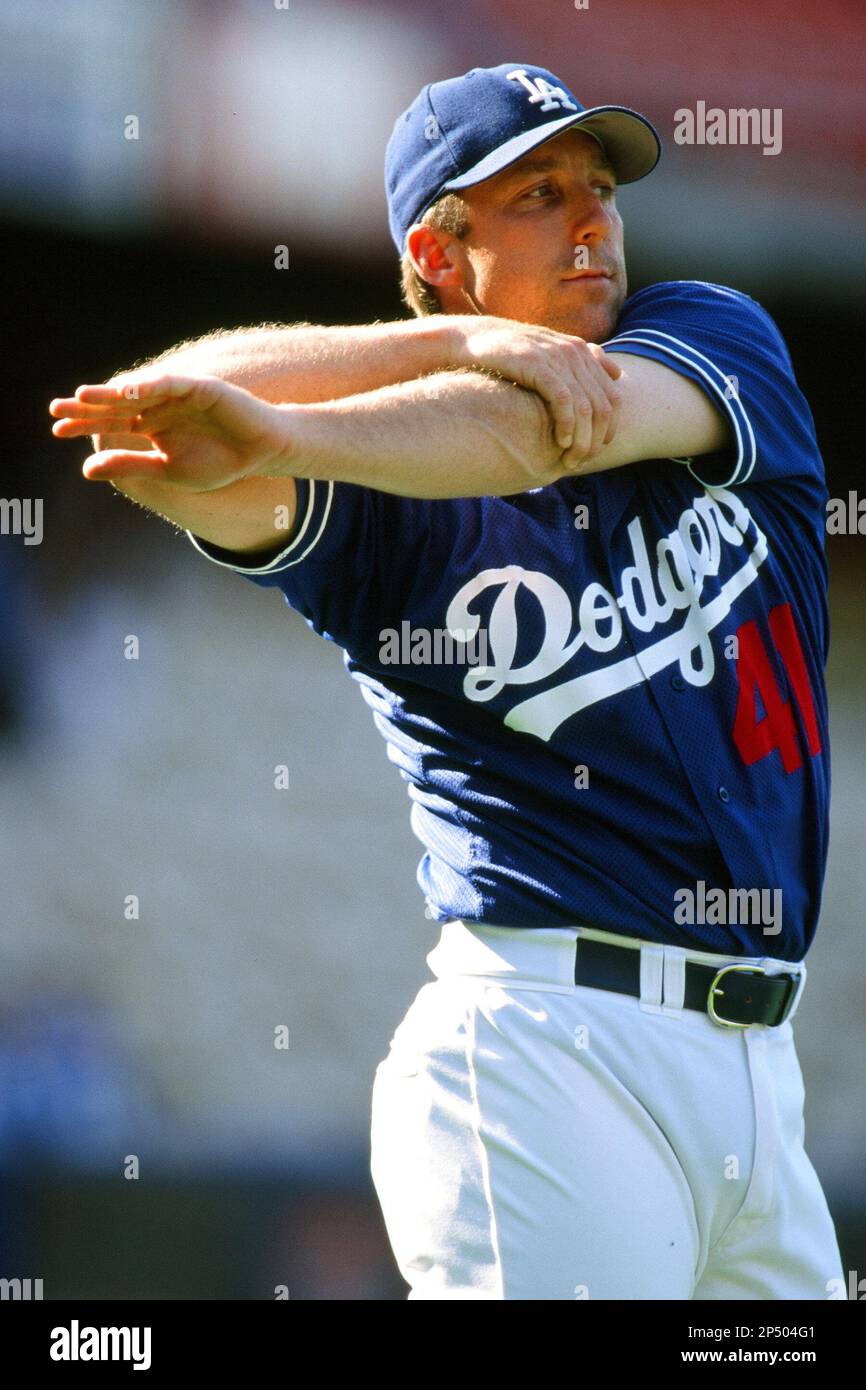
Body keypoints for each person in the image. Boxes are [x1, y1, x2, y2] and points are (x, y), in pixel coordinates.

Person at [49, 63, 843, 1300]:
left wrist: (301, 426)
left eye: (598, 187)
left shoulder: (712, 334)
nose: (592, 220)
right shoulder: (383, 518)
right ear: (438, 246)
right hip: (545, 1061)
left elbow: (541, 428)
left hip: (758, 1076)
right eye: (537, 193)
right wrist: (453, 343)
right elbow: (147, 427)